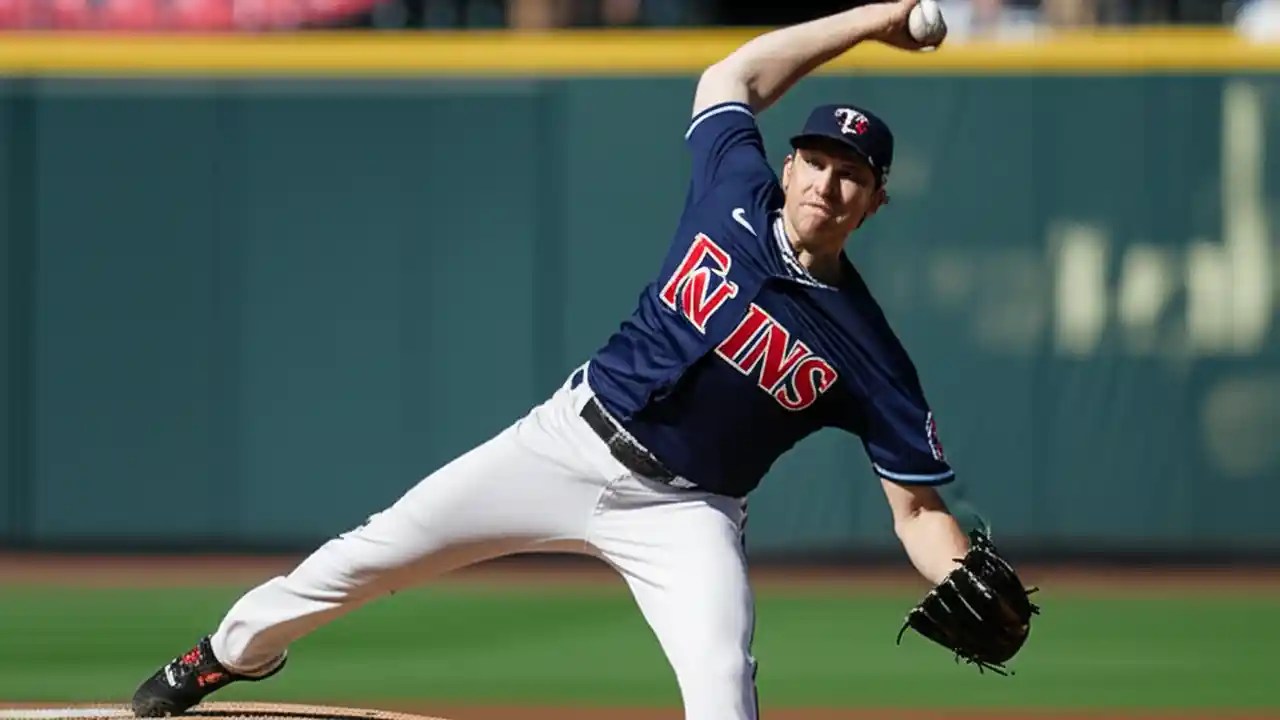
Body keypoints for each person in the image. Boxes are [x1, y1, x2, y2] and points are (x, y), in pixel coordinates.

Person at [130, 2, 973, 718]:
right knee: (369, 555)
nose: (827, 182)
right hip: (566, 441)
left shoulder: (868, 349)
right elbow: (735, 74)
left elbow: (917, 511)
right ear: (788, 165)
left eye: (851, 175)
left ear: (875, 201)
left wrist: (964, 571)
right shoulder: (731, 186)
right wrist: (872, 19)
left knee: (722, 684)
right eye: (817, 160)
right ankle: (229, 652)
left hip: (686, 514)